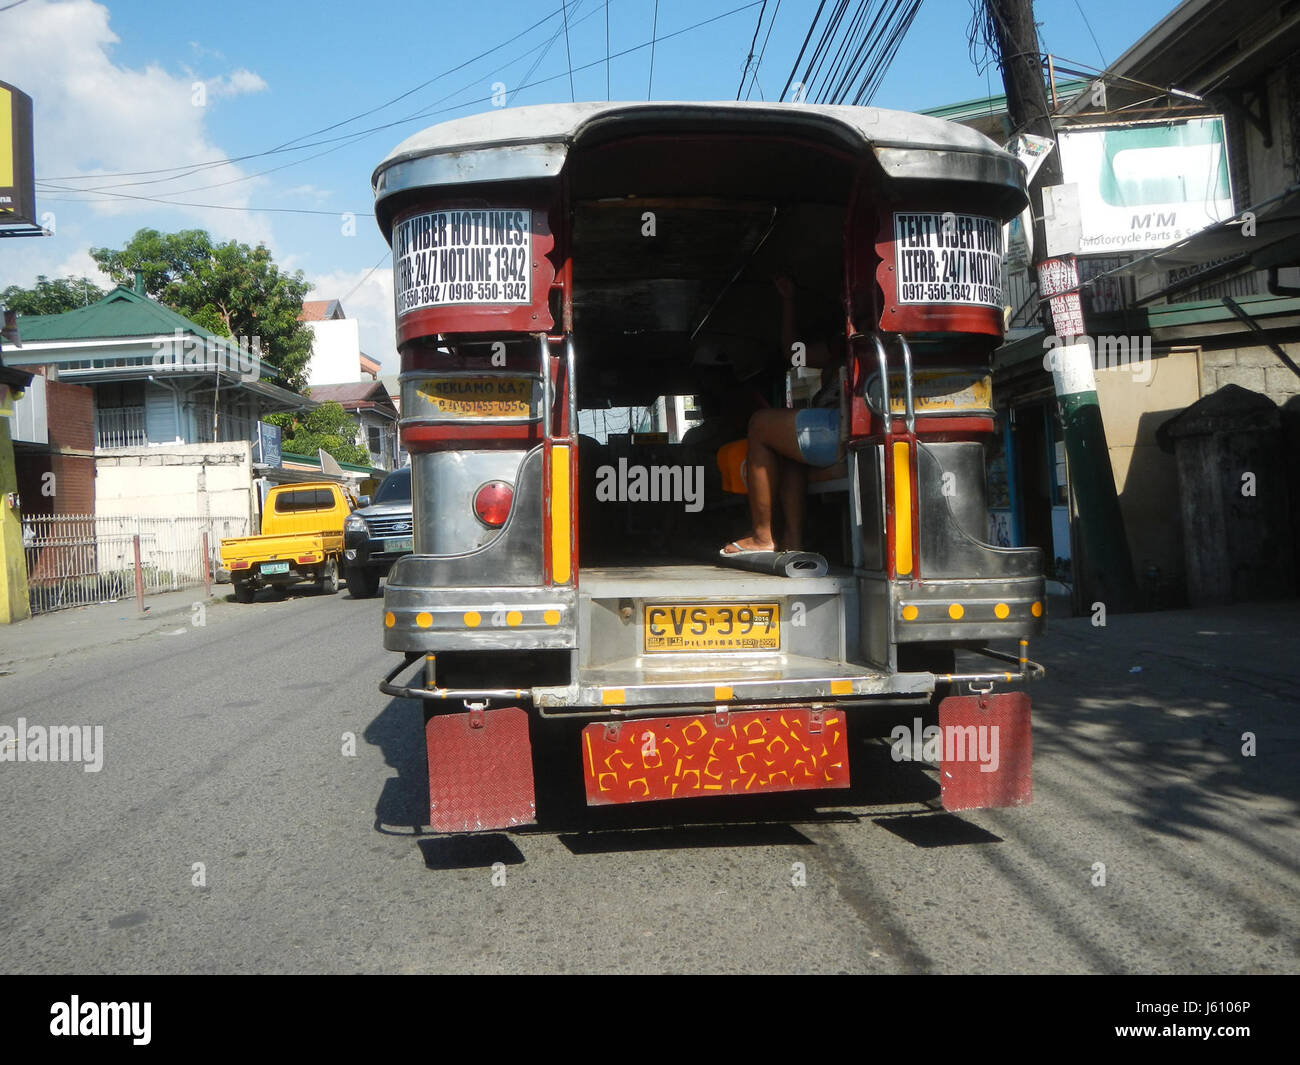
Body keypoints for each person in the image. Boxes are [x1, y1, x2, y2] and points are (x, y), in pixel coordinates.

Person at [720, 276, 846, 556]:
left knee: (760, 423)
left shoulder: (850, 340)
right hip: (850, 431)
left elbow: (793, 354)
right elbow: (795, 355)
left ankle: (762, 535)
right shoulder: (856, 339)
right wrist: (789, 300)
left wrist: (788, 302)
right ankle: (793, 541)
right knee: (787, 452)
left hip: (841, 429)